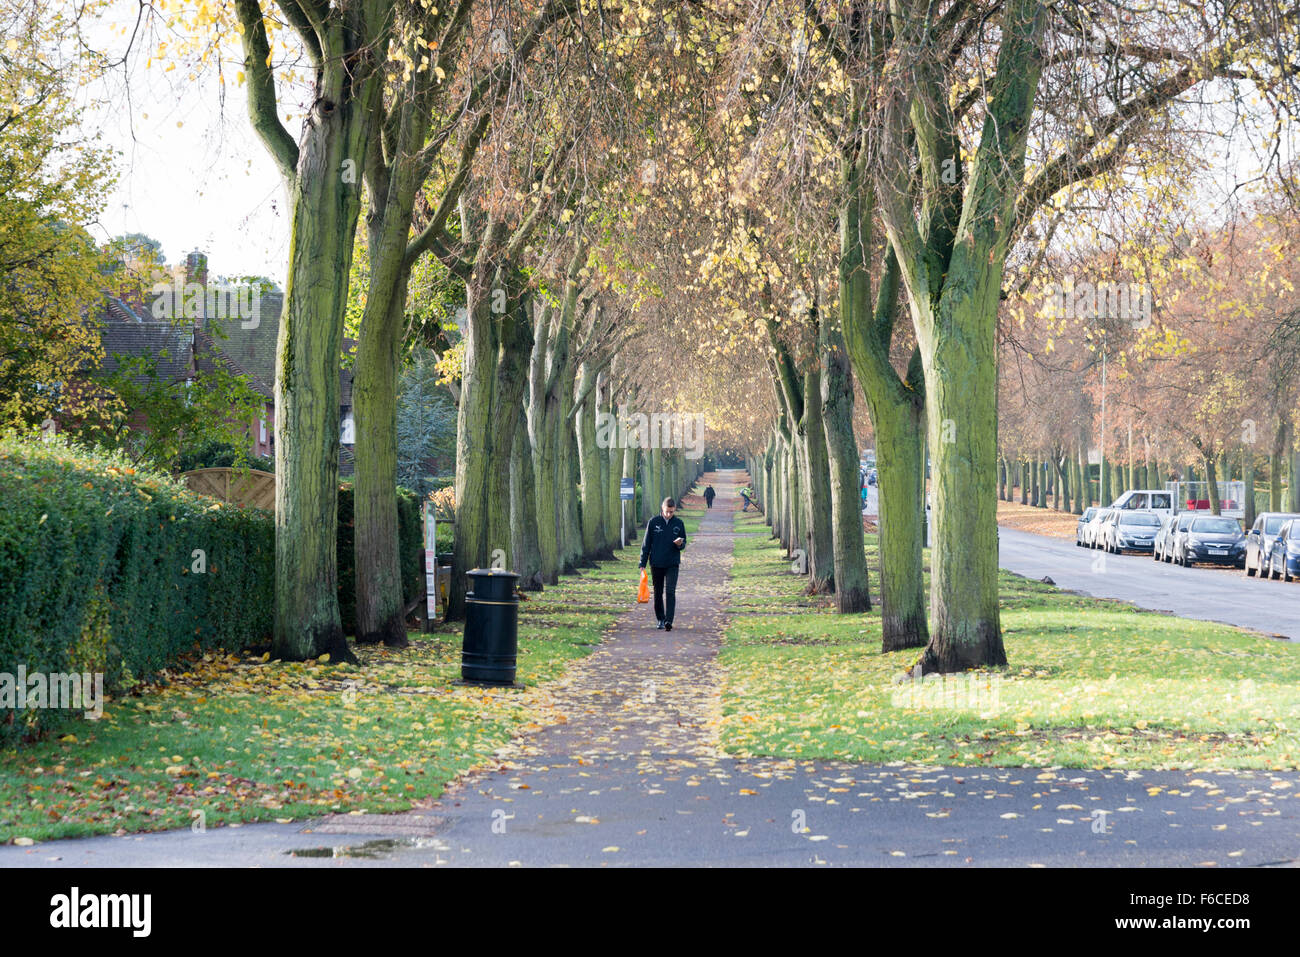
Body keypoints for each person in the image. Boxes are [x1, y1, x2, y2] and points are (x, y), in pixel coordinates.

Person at [639, 497, 687, 631]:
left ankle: (668, 621)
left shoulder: (679, 523)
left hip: (672, 563)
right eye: (667, 511)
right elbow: (646, 544)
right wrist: (642, 562)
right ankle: (660, 618)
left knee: (670, 592)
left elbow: (683, 543)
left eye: (671, 512)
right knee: (658, 592)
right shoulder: (653, 522)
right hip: (656, 563)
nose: (668, 514)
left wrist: (680, 544)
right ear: (662, 508)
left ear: (674, 510)